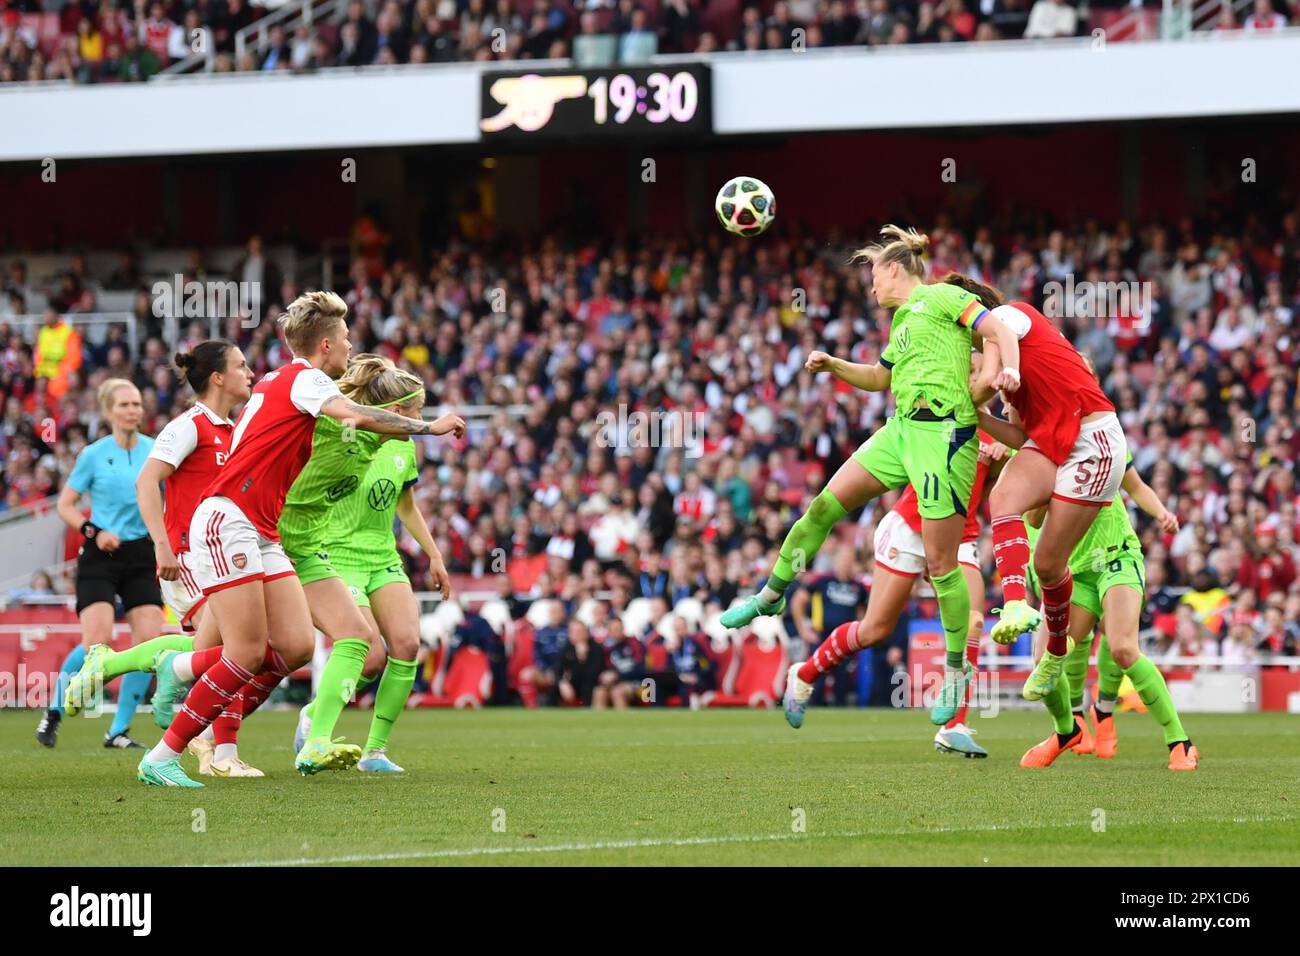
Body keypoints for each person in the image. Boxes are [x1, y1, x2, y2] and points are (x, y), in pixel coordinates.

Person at [135, 291, 464, 788]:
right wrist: (428, 426)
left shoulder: (277, 381)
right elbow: (355, 416)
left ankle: (182, 668)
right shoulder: (305, 378)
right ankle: (162, 753)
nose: (351, 348)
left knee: (299, 646)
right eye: (347, 339)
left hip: (268, 529)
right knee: (243, 652)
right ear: (326, 344)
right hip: (232, 519)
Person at [721, 225, 1023, 726]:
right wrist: (834, 365)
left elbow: (1001, 330)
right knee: (821, 506)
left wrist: (1006, 370)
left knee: (944, 565)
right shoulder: (902, 322)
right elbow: (880, 378)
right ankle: (770, 594)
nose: (871, 287)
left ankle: (954, 672)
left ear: (894, 269)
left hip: (943, 437)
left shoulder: (946, 298)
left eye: (873, 276)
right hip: (900, 431)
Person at [65, 341, 258, 775]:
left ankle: (217, 752)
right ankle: (217, 753)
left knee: (230, 649)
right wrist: (163, 545)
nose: (251, 373)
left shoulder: (234, 429)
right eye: (242, 365)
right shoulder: (187, 426)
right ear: (217, 377)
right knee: (237, 645)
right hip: (189, 556)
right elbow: (147, 483)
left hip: (222, 554)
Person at [951, 276, 1127, 705]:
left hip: (1093, 442)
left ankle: (1054, 652)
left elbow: (1003, 340)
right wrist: (975, 415)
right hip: (1052, 443)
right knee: (1005, 501)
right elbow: (1022, 435)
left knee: (1049, 562)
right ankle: (1015, 603)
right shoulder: (1003, 348)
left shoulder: (1008, 317)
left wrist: (994, 376)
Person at [290, 354, 456, 773]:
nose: (420, 421)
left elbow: (406, 505)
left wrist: (434, 555)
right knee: (368, 656)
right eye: (417, 413)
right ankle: (314, 719)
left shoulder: (404, 450)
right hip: (335, 555)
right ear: (397, 413)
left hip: (382, 556)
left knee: (406, 644)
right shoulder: (345, 437)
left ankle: (375, 752)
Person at [1019, 447, 1198, 771]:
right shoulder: (1040, 451)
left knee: (1122, 648)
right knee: (1045, 657)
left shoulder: (1102, 438)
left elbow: (1136, 486)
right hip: (1075, 569)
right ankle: (1067, 730)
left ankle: (1179, 741)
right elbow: (1033, 518)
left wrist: (1161, 514)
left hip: (1117, 557)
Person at [36, 379, 163, 750]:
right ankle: (55, 711)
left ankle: (118, 731)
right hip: (100, 555)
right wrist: (94, 531)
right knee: (98, 644)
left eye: (137, 403)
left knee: (151, 643)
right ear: (108, 412)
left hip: (142, 554)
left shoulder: (156, 452)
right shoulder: (93, 454)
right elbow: (65, 505)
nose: (133, 410)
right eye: (124, 404)